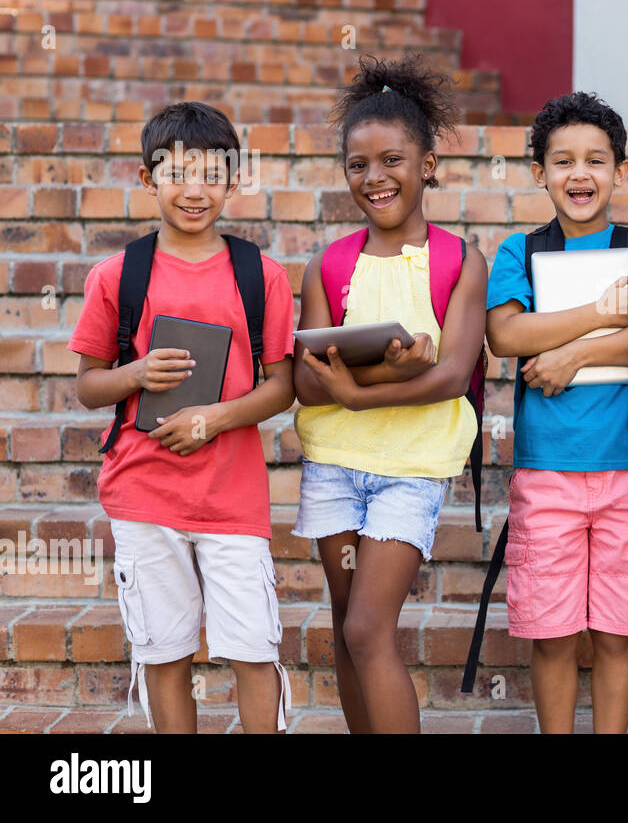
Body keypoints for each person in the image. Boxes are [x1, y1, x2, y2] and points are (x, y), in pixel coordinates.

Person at [70, 101, 296, 732]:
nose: (194, 190)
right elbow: (88, 387)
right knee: (164, 654)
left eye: (211, 173)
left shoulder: (261, 275)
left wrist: (215, 419)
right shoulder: (119, 275)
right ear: (149, 179)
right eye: (176, 173)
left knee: (253, 651)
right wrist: (137, 375)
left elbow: (283, 387)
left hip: (232, 498)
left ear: (233, 180)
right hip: (144, 491)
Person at [293, 54, 486, 733]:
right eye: (357, 165)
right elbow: (306, 383)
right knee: (349, 628)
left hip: (410, 468)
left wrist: (358, 391)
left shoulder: (460, 260)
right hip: (334, 464)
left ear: (428, 163)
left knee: (371, 626)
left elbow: (453, 375)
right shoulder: (330, 263)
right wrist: (394, 374)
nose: (374, 177)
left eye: (392, 160)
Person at [484, 91, 628, 733]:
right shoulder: (522, 252)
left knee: (621, 634)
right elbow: (507, 337)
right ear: (540, 173)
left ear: (620, 169)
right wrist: (605, 314)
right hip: (549, 475)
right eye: (563, 161)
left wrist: (570, 355)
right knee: (554, 633)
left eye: (596, 160)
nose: (580, 174)